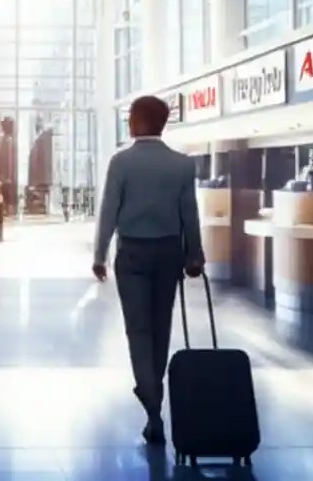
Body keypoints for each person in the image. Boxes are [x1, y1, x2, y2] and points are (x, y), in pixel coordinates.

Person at [93, 94, 204, 446]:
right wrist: (195, 256)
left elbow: (109, 211)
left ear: (135, 122)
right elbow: (190, 213)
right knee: (161, 329)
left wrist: (99, 254)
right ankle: (155, 398)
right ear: (162, 123)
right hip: (169, 252)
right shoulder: (183, 165)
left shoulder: (121, 163)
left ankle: (153, 406)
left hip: (133, 255)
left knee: (138, 331)